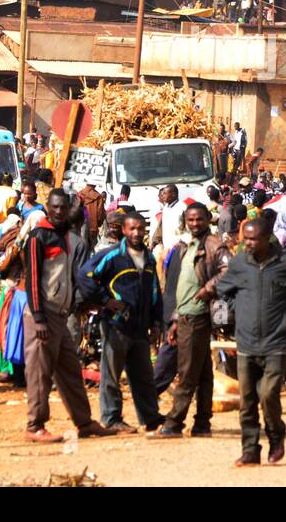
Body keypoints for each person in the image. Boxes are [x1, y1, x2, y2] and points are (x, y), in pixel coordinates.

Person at [215, 218, 286, 465]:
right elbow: (223, 291)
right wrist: (237, 309)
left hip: (276, 341)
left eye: (253, 239)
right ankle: (250, 449)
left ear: (266, 238)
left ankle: (276, 436)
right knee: (247, 400)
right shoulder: (239, 263)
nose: (247, 243)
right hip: (246, 342)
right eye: (245, 238)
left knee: (269, 393)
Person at [22, 189, 113, 442]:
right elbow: (32, 280)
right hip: (42, 314)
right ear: (48, 208)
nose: (60, 212)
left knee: (70, 370)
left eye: (63, 207)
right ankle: (34, 426)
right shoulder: (38, 236)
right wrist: (39, 317)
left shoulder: (67, 237)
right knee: (40, 371)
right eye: (55, 207)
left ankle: (84, 422)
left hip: (60, 315)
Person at [78, 212, 163, 433]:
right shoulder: (112, 255)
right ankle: (111, 417)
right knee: (111, 374)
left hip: (140, 326)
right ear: (124, 230)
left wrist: (156, 322)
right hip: (116, 325)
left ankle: (150, 417)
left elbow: (154, 292)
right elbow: (85, 275)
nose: (136, 233)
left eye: (140, 229)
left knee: (143, 375)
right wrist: (105, 301)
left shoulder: (149, 259)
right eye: (132, 229)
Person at [152, 202, 228, 438]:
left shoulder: (215, 245)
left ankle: (174, 423)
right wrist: (175, 318)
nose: (195, 224)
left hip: (197, 315)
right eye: (191, 220)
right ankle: (202, 424)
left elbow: (229, 270)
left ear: (208, 220)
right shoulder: (187, 246)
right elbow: (183, 286)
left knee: (186, 373)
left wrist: (208, 289)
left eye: (199, 219)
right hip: (184, 314)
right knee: (204, 373)